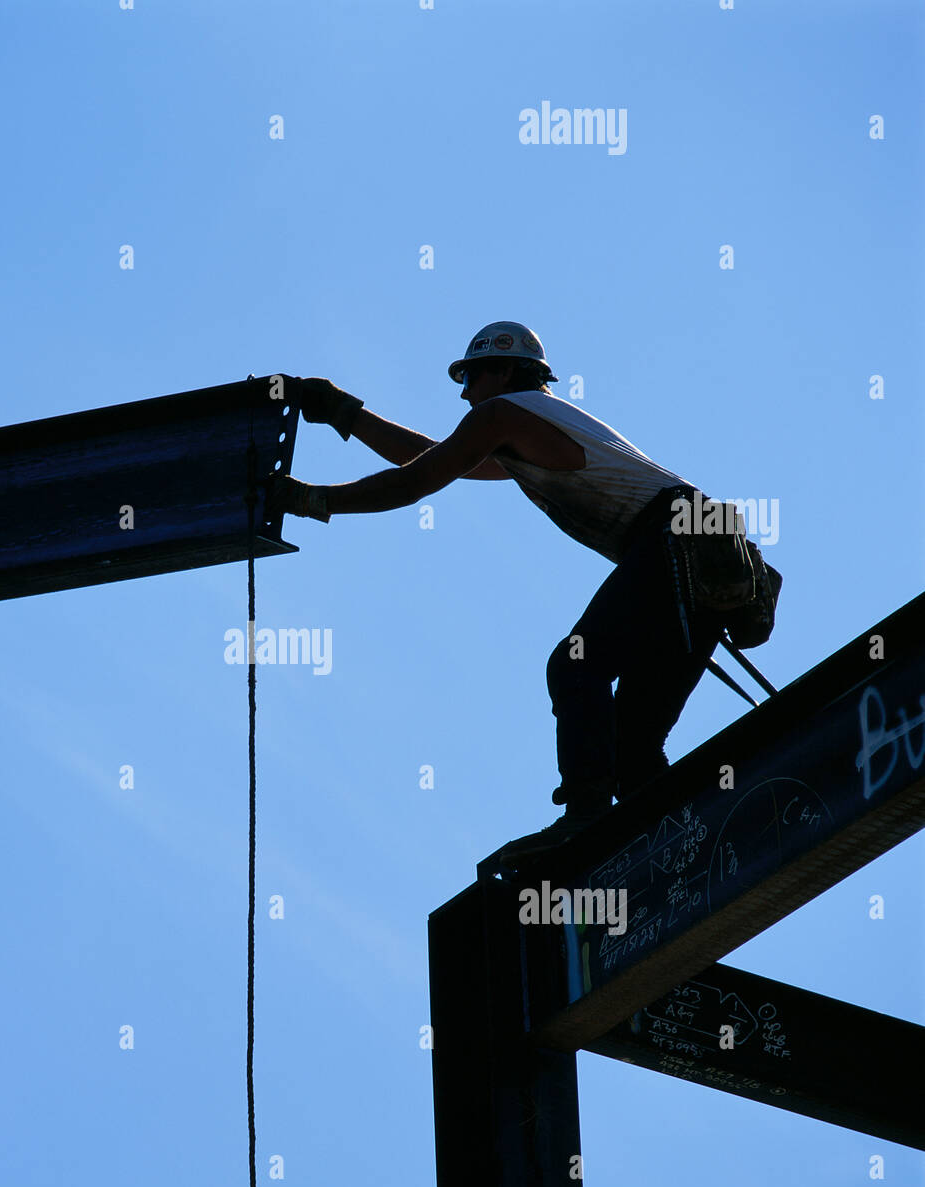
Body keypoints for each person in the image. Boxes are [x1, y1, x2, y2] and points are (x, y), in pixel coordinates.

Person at [271, 320, 726, 869]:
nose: (464, 392)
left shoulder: (504, 416)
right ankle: (678, 850)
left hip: (677, 542)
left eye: (472, 375)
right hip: (706, 558)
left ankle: (586, 817)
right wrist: (348, 416)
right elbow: (435, 458)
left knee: (574, 665)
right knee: (631, 747)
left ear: (506, 370)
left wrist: (305, 499)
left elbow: (413, 482)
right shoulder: (533, 424)